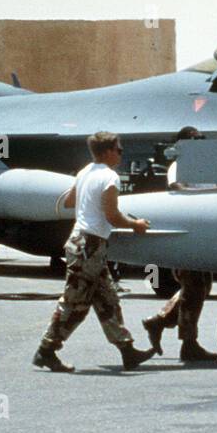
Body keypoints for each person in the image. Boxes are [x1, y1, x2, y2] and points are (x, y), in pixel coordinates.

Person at [34, 132, 155, 372]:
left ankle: (127, 349)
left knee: (108, 299)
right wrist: (136, 224)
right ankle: (46, 350)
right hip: (89, 245)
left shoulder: (85, 171)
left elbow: (69, 201)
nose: (121, 154)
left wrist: (87, 198)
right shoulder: (110, 177)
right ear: (108, 151)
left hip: (86, 244)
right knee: (74, 304)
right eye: (119, 150)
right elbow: (112, 215)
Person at [142, 127, 217, 362]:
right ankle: (189, 343)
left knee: (202, 286)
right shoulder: (179, 166)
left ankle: (160, 321)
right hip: (188, 235)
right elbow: (176, 187)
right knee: (194, 287)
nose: (200, 143)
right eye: (195, 139)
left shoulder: (205, 168)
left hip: (203, 233)